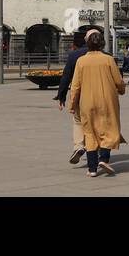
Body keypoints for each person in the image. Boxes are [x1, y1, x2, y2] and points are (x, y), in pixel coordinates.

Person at [68, 29, 126, 178]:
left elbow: (75, 85)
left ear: (87, 44)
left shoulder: (81, 61)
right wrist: (121, 89)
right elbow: (118, 80)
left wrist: (72, 104)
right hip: (107, 101)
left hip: (86, 102)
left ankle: (92, 169)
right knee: (110, 129)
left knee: (89, 132)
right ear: (102, 44)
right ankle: (104, 159)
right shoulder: (108, 59)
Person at [57, 31, 90, 165]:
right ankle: (96, 148)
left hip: (80, 94)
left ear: (75, 44)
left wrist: (61, 96)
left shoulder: (74, 55)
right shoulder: (105, 55)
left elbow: (66, 76)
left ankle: (79, 146)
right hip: (100, 95)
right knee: (97, 122)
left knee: (78, 121)